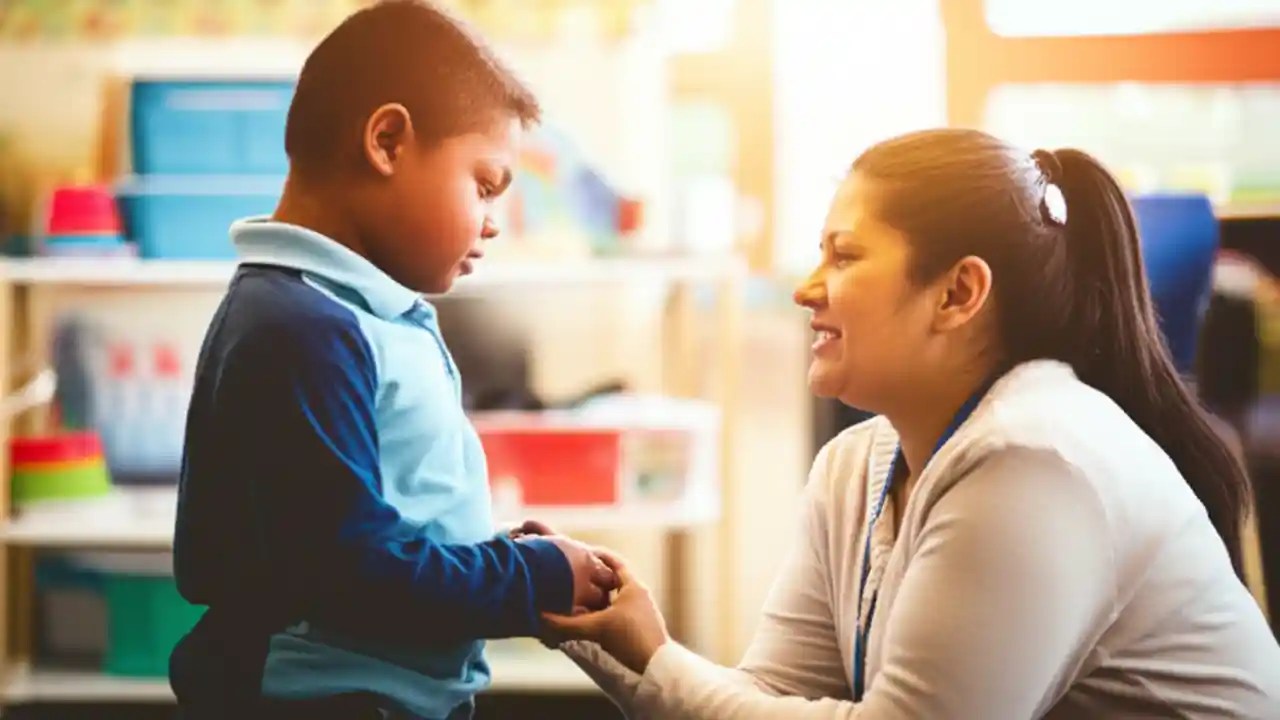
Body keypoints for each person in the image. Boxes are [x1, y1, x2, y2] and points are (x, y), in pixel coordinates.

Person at [541, 128, 1280, 718]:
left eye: (845, 256)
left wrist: (657, 658)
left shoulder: (1034, 463)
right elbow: (766, 699)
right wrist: (615, 637)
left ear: (958, 292)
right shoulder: (855, 466)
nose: (806, 288)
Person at [169, 2, 617, 718]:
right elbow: (348, 569)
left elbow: (361, 530)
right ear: (387, 141)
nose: (493, 220)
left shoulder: (354, 313)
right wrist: (527, 578)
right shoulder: (300, 327)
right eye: (484, 183)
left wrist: (491, 551)